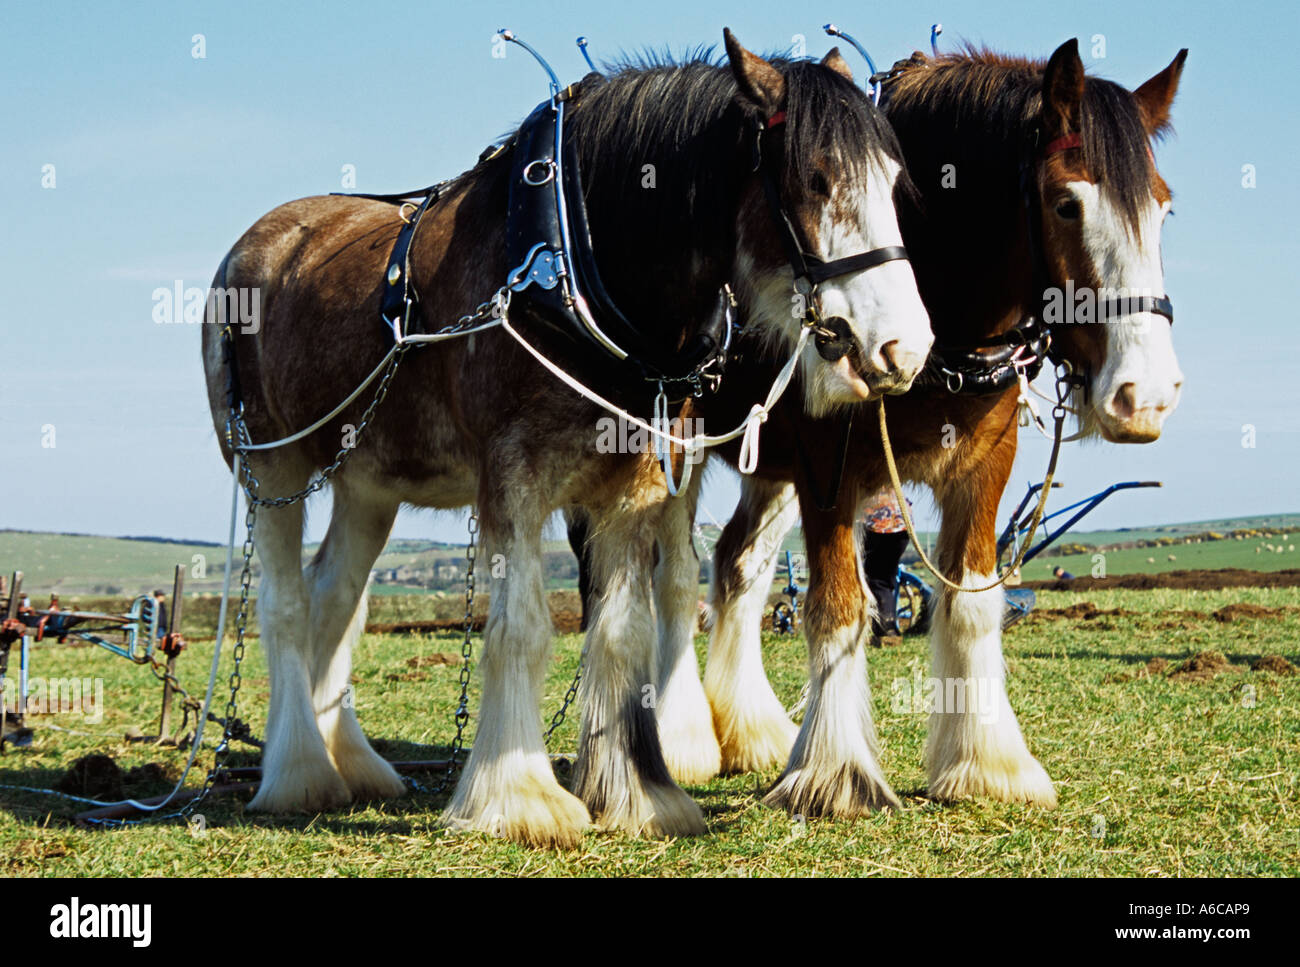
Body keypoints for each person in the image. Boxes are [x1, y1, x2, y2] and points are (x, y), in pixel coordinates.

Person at [858, 486, 911, 646]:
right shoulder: (886, 477)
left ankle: (883, 629)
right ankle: (888, 627)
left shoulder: (863, 478)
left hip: (874, 524)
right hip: (902, 523)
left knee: (875, 575)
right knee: (886, 576)